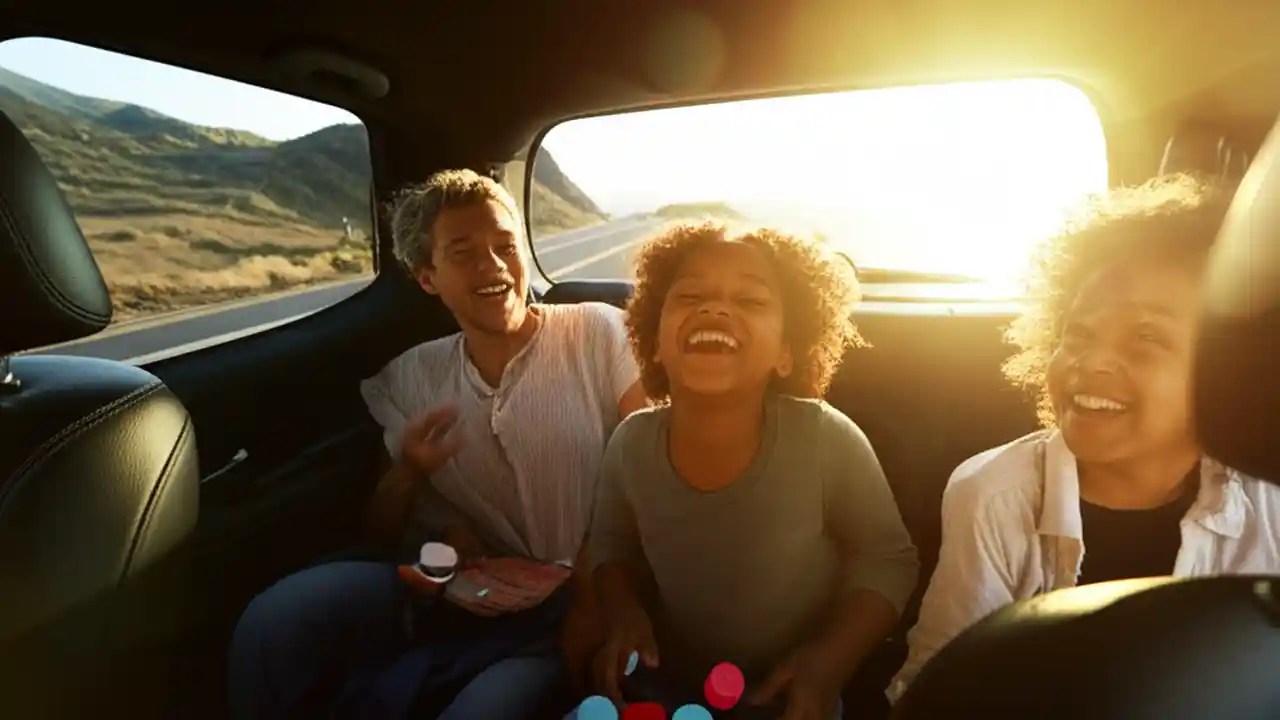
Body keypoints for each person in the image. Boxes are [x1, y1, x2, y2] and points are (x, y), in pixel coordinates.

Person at [228, 169, 648, 720]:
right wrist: (411, 474)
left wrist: (594, 593)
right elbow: (382, 533)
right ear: (427, 277)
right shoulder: (410, 378)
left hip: (583, 597)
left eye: (505, 246)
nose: (493, 266)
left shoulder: (600, 332)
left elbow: (652, 471)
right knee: (277, 618)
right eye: (463, 252)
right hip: (460, 594)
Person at [886, 174, 1280, 703]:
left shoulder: (1267, 498)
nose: (1091, 361)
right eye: (1078, 333)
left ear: (1228, 368)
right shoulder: (993, 495)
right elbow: (942, 683)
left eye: (1146, 337)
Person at [585, 222, 920, 719]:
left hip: (793, 693)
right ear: (653, 341)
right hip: (668, 684)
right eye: (691, 295)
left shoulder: (824, 439)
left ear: (786, 351)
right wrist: (624, 614)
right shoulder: (630, 444)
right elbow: (610, 546)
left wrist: (828, 662)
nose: (715, 309)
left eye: (751, 300)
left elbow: (889, 559)